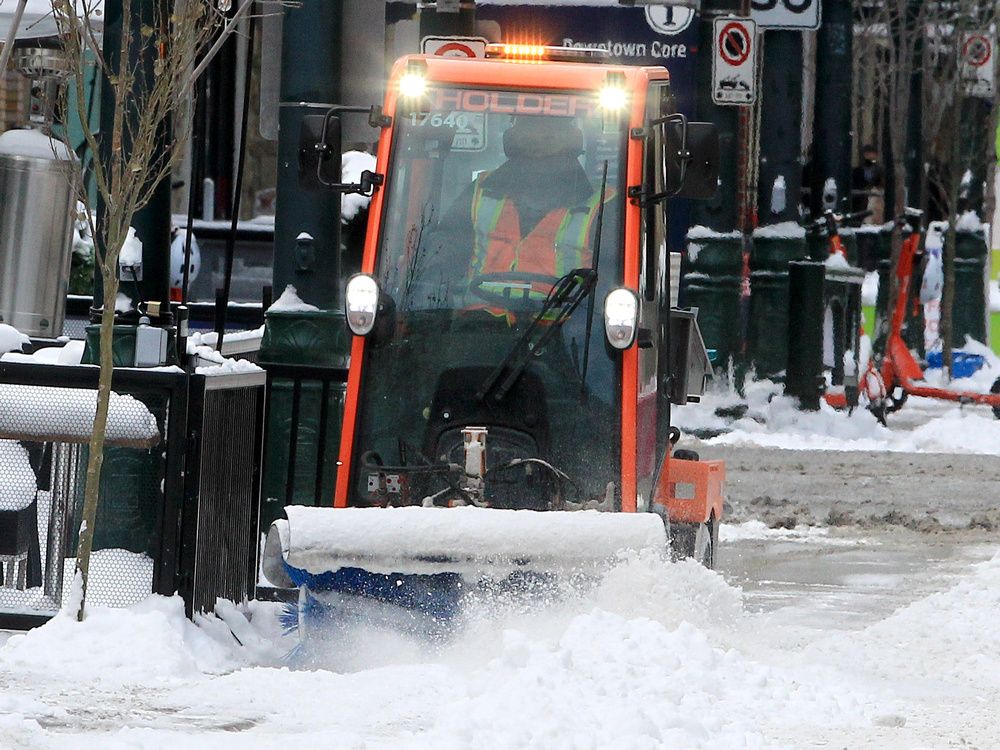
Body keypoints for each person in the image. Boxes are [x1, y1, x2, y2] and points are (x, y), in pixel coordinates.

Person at [424, 116, 611, 312]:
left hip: (567, 332)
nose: (538, 148)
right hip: (477, 325)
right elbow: (440, 259)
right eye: (531, 134)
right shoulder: (480, 191)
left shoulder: (603, 205)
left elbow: (609, 286)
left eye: (547, 137)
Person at [851, 144, 885, 222]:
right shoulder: (858, 171)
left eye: (871, 154)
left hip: (872, 199)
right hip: (860, 200)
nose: (870, 157)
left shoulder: (878, 170)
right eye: (867, 154)